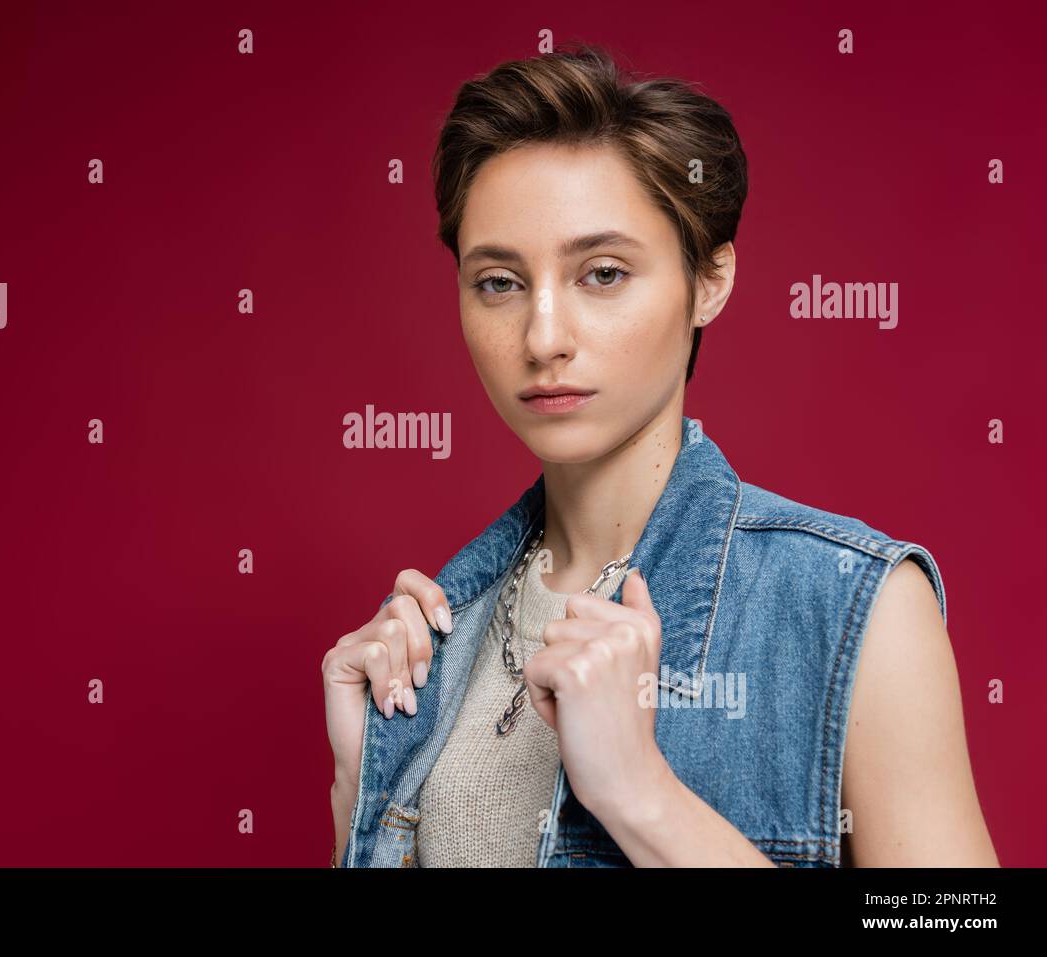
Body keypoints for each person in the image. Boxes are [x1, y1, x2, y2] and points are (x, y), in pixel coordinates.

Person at [321, 42, 998, 867]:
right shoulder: (442, 638)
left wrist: (640, 794)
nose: (543, 337)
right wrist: (361, 797)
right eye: (499, 281)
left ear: (709, 281)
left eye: (601, 273)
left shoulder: (855, 608)